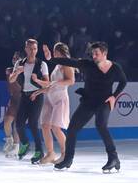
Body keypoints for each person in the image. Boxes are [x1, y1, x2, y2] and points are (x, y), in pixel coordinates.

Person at [45, 41, 127, 173]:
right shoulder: (87, 64)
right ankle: (68, 159)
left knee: (101, 125)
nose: (93, 56)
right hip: (88, 101)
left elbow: (123, 81)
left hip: (104, 102)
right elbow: (70, 62)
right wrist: (51, 59)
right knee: (72, 129)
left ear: (104, 54)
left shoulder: (115, 67)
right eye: (92, 53)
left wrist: (114, 96)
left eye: (96, 54)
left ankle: (113, 158)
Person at [35, 43, 75, 165]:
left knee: (56, 127)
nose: (53, 53)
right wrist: (40, 91)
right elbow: (51, 84)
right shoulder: (58, 65)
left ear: (60, 52)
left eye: (55, 52)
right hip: (49, 98)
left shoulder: (67, 64)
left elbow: (71, 81)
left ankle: (65, 153)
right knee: (45, 125)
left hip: (60, 99)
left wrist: (56, 83)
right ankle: (50, 153)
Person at [13, 39, 49, 164]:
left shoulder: (42, 64)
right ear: (26, 49)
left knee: (33, 123)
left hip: (37, 96)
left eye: (35, 49)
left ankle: (39, 151)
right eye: (30, 48)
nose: (33, 51)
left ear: (37, 49)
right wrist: (16, 71)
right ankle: (25, 143)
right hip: (24, 95)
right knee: (18, 124)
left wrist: (37, 82)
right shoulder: (20, 63)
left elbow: (47, 84)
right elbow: (12, 79)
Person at [2, 52, 23, 157]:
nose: (14, 59)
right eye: (13, 57)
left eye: (17, 58)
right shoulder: (9, 70)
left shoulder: (26, 71)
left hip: (23, 99)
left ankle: (16, 147)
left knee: (16, 124)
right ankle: (9, 140)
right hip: (13, 99)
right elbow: (10, 87)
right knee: (7, 121)